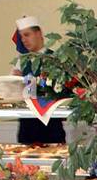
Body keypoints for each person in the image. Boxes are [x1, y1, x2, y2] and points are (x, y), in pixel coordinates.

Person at [10, 15, 66, 146]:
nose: (24, 40)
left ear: (38, 33)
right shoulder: (20, 62)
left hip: (51, 127)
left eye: (27, 35)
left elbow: (62, 91)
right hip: (26, 128)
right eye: (21, 37)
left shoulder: (55, 59)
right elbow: (13, 93)